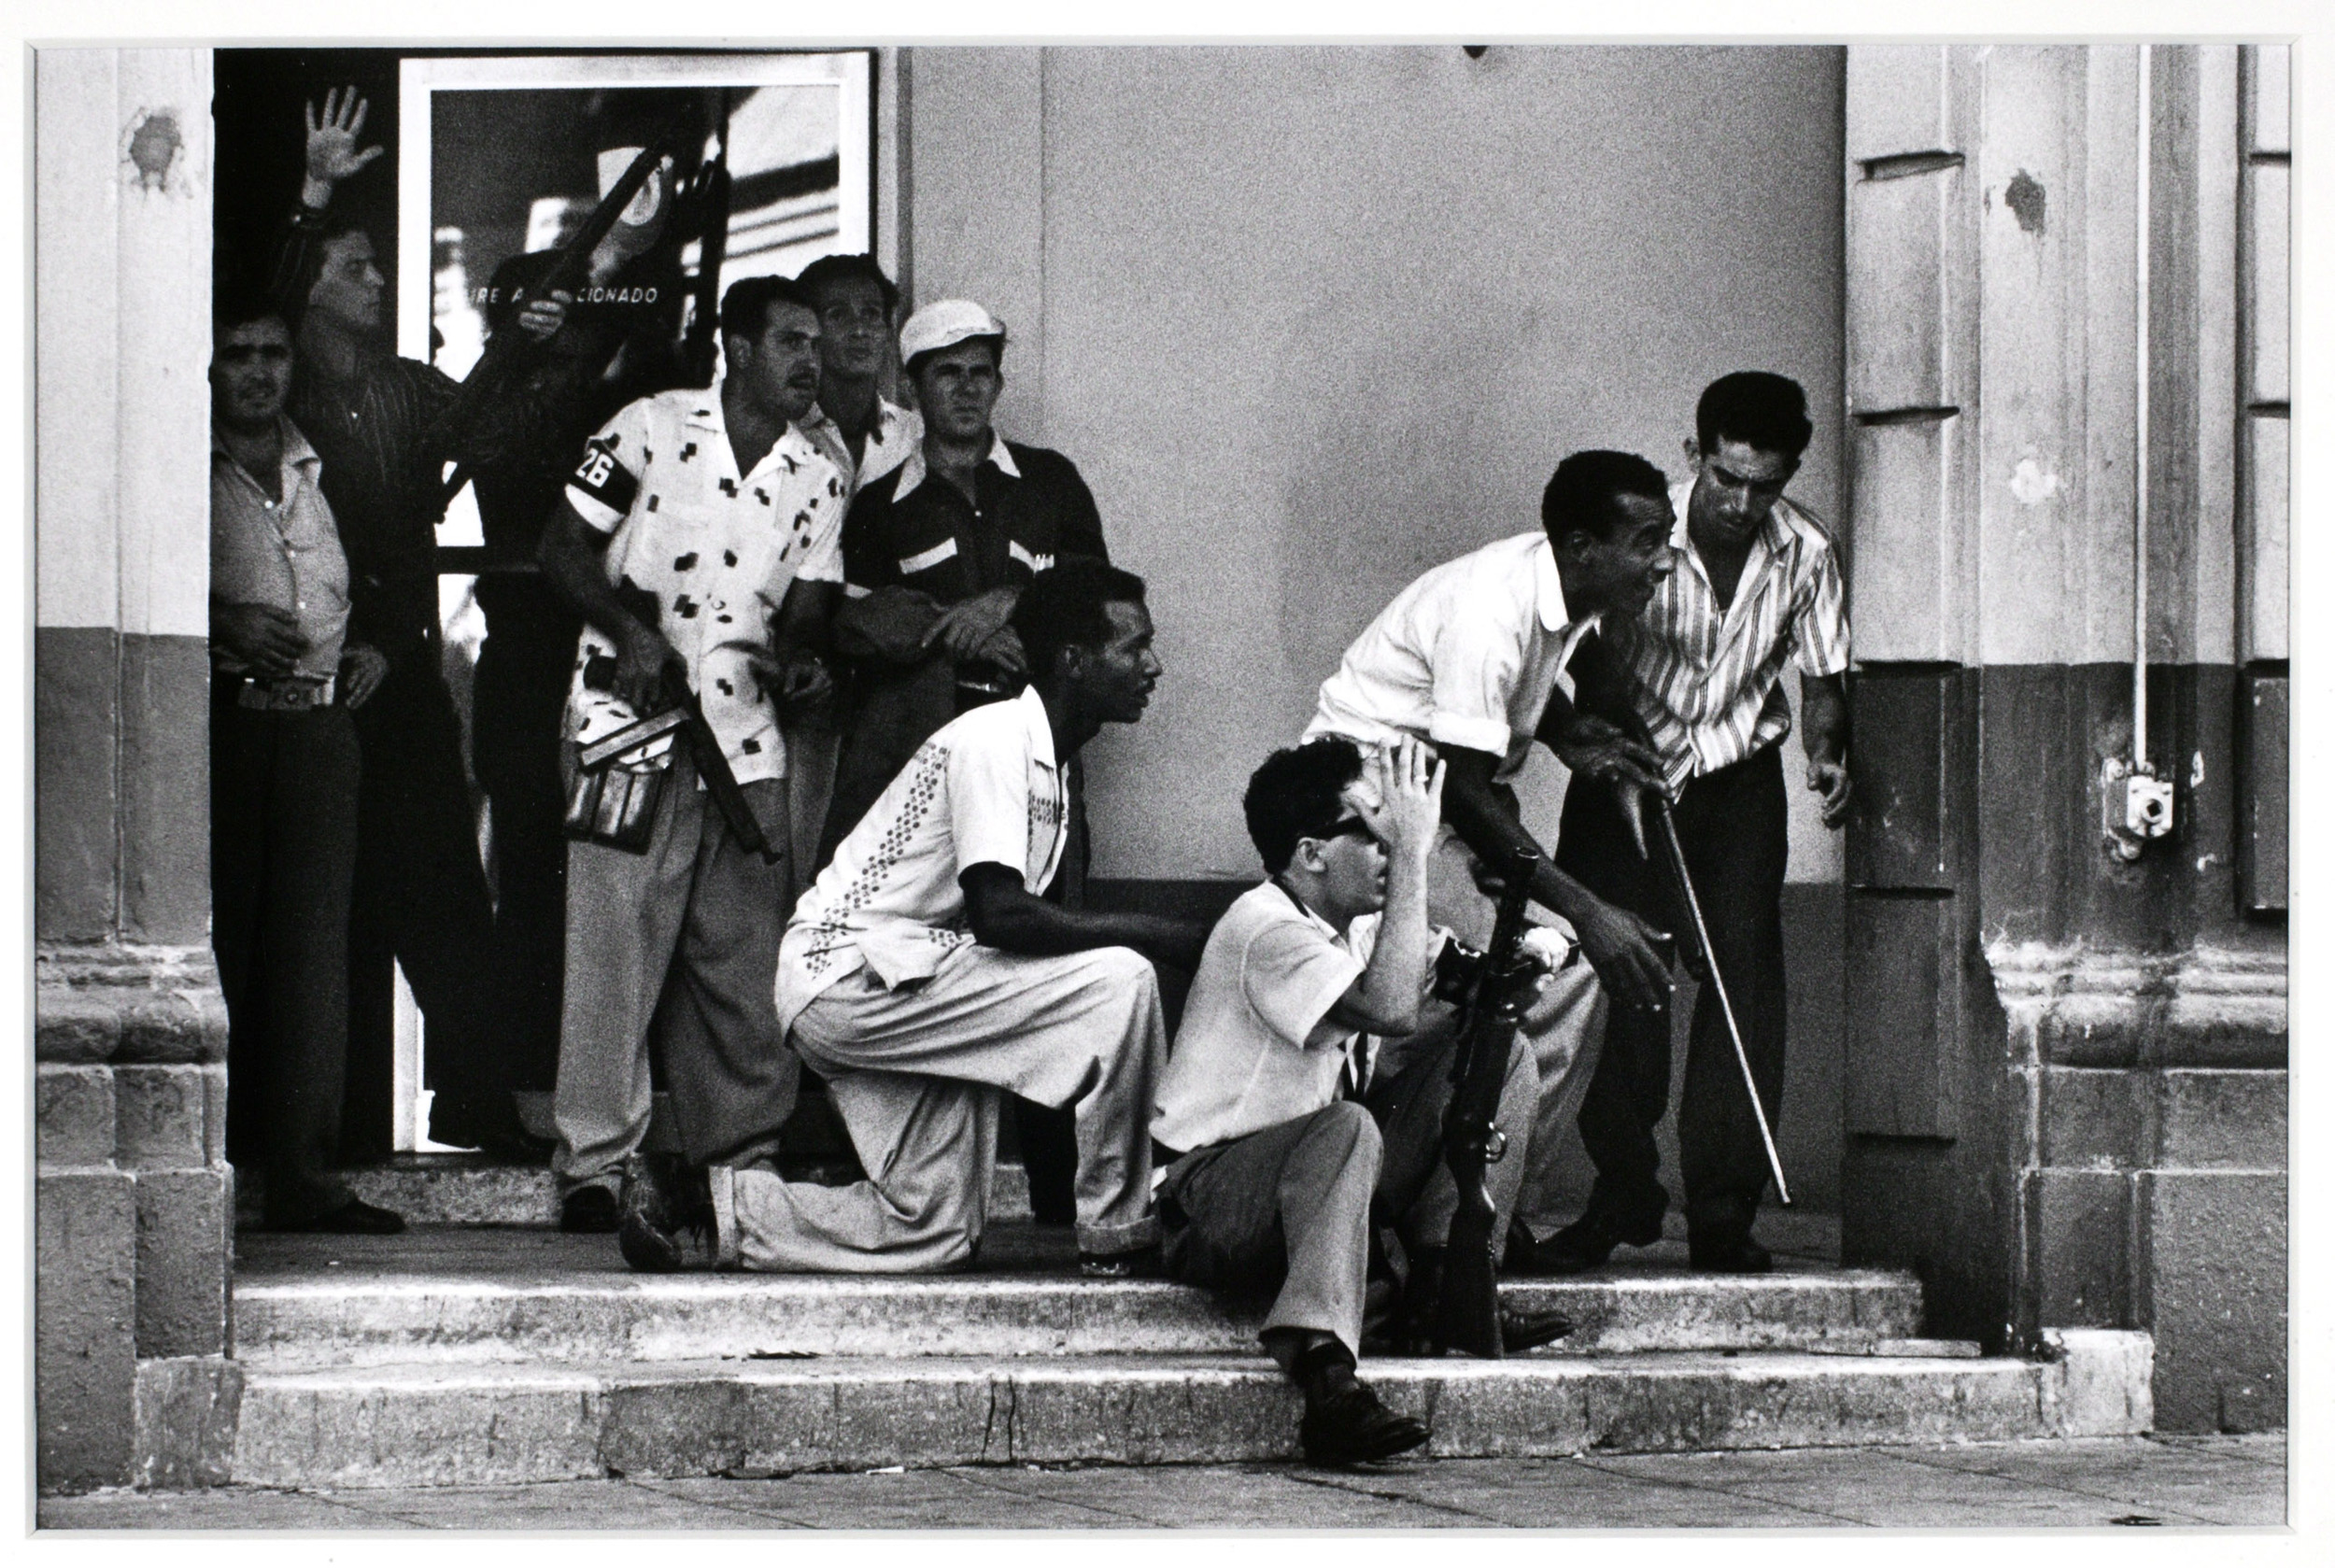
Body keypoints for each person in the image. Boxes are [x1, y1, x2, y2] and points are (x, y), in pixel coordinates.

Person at [617, 560, 1206, 1278]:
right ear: (1074, 661)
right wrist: (1159, 932)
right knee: (1121, 979)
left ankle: (697, 1201)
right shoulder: (995, 738)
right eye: (1134, 646)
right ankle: (1120, 1231)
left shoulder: (1047, 761)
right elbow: (1000, 915)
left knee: (933, 1226)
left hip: (912, 979)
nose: (1154, 665)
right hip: (851, 974)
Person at [268, 89, 569, 1156]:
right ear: (311, 287)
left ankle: (477, 1099)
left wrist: (530, 348)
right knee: (313, 910)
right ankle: (317, 1131)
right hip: (300, 673)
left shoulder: (404, 389)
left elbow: (503, 439)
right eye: (355, 266)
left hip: (399, 670)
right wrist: (311, 197)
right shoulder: (277, 385)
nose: (380, 277)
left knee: (442, 887)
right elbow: (256, 300)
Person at [1303, 449, 1681, 1269]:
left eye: (1666, 537)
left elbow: (1499, 710)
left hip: (1435, 808)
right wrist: (1586, 906)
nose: (1664, 558)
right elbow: (1469, 789)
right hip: (1368, 822)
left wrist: (1567, 728)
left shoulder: (1565, 593)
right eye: (1648, 540)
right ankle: (1432, 1223)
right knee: (1527, 967)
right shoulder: (1490, 610)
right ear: (1583, 547)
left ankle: (1473, 1215)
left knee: (1567, 969)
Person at [1150, 737, 1573, 1463]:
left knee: (1500, 1054)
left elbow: (1461, 981)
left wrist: (1521, 962)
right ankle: (1328, 1383)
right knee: (1347, 1126)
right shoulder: (1266, 928)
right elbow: (1389, 1005)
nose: (1390, 853)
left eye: (1394, 841)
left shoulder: (1355, 928)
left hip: (1314, 1185)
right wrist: (1415, 854)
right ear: (1312, 853)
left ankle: (1448, 1282)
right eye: (1375, 837)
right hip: (1211, 1200)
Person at [535, 274, 844, 1234]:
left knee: (742, 960)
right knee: (612, 946)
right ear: (738, 347)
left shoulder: (821, 470)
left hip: (746, 743)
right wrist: (627, 632)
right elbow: (559, 550)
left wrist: (801, 665)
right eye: (791, 340)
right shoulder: (649, 426)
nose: (811, 360)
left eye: (816, 342)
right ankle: (594, 1161)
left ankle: (739, 1162)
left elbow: (811, 608)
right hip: (624, 723)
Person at [1535, 374, 1851, 1275]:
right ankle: (1624, 1192)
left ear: (1791, 472)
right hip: (1623, 778)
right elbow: (1569, 657)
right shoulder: (1641, 540)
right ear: (1694, 455)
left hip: (1738, 785)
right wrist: (1597, 737)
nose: (1743, 503)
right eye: (1726, 478)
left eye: (1765, 485)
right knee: (1617, 973)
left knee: (1744, 989)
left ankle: (1722, 1213)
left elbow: (1822, 678)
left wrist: (1826, 755)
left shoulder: (1808, 553)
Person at [818, 297, 1112, 1225]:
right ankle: (928, 1200)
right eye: (946, 371)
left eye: (981, 369)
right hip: (936, 784)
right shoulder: (876, 508)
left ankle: (1066, 1208)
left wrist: (1002, 602)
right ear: (912, 386)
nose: (966, 387)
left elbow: (1098, 608)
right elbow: (854, 628)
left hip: (1038, 770)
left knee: (1057, 963)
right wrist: (947, 639)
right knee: (935, 968)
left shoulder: (1050, 484)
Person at [206, 290, 401, 1234]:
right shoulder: (183, 466)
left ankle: (308, 1178)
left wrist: (375, 644)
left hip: (322, 730)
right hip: (228, 726)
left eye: (273, 352)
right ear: (209, 365)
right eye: (238, 352)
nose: (257, 370)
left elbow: (375, 573)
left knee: (316, 958)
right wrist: (220, 621)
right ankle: (214, 1172)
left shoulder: (320, 461)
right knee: (224, 949)